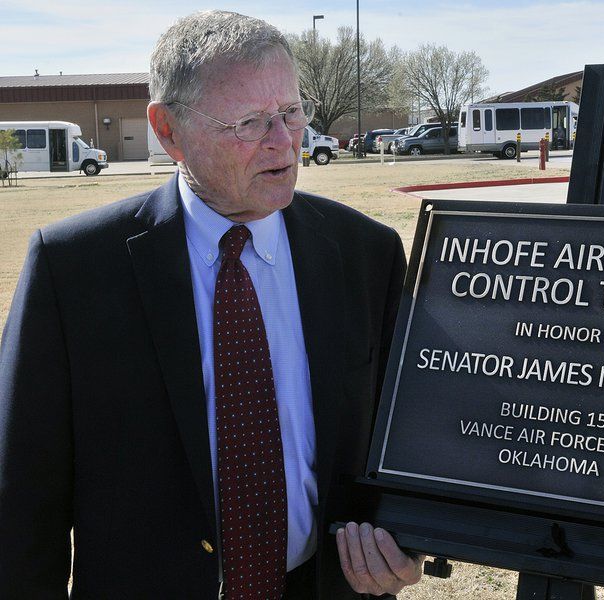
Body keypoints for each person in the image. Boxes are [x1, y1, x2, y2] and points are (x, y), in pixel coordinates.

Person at [0, 10, 423, 600]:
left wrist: (405, 539)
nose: (284, 141)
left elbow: (402, 441)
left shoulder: (366, 254)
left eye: (292, 112)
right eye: (249, 122)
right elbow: (22, 500)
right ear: (168, 131)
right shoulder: (73, 268)